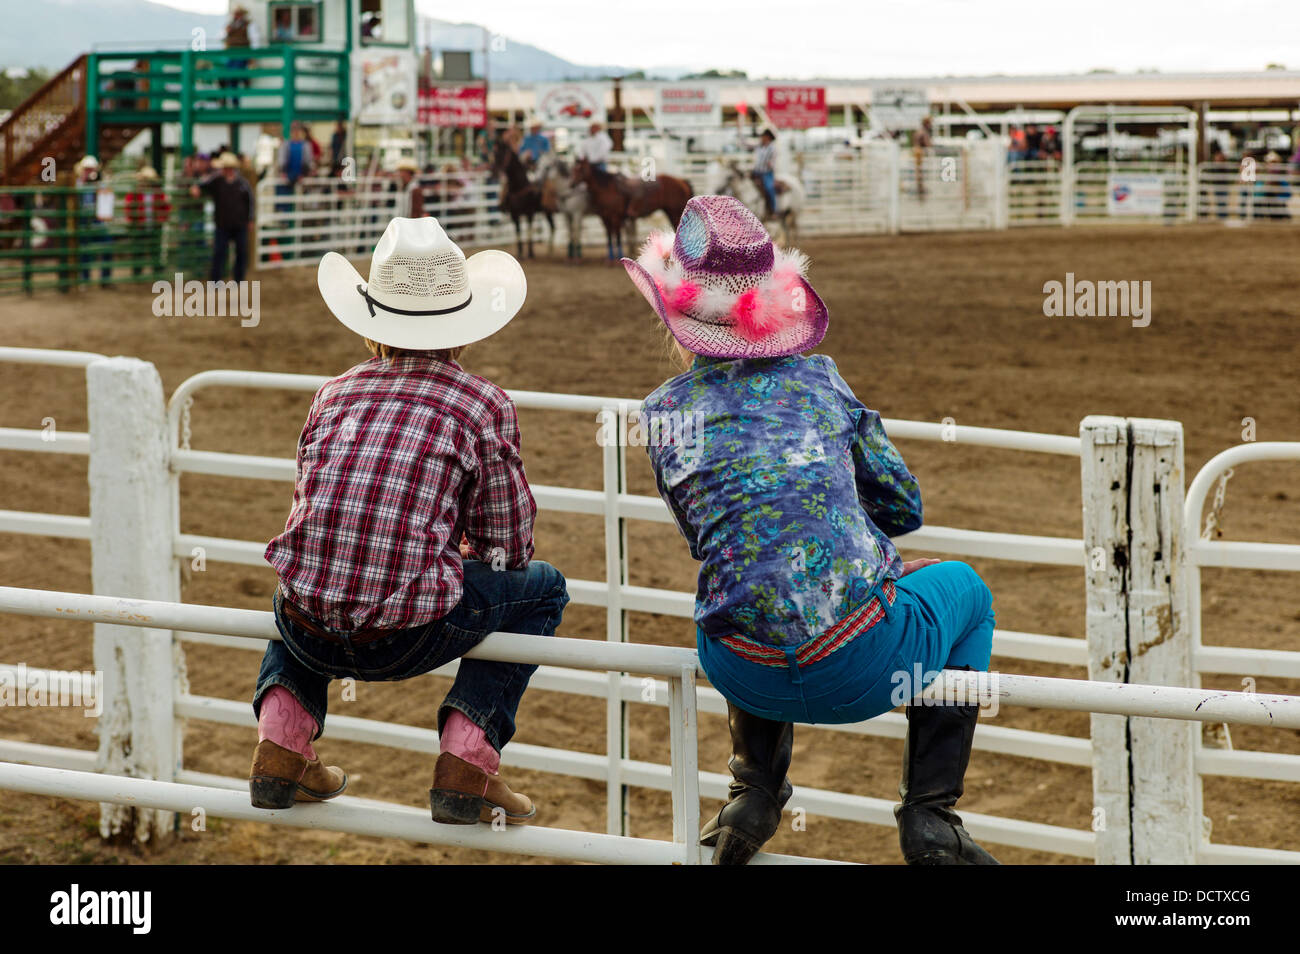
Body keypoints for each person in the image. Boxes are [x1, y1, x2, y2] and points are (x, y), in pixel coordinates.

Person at [622, 196, 1000, 866]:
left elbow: (709, 533)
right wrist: (845, 537)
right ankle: (931, 814)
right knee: (968, 591)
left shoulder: (661, 413)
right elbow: (903, 507)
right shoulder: (820, 380)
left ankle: (754, 791)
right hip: (862, 665)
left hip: (739, 669)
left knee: (755, 583)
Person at [250, 216, 568, 826]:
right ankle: (467, 760)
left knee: (303, 573)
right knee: (543, 589)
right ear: (461, 329)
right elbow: (509, 546)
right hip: (408, 636)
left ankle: (281, 746)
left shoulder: (333, 392)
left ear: (374, 326)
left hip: (309, 630)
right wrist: (457, 548)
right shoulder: (482, 404)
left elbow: (312, 508)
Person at [190, 151, 254, 282]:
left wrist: (250, 219)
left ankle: (238, 279)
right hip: (222, 224)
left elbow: (250, 201)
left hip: (239, 224)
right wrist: (197, 188)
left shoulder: (243, 183)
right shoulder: (216, 180)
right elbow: (202, 184)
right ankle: (215, 280)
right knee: (219, 253)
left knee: (241, 252)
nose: (226, 170)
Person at [124, 166, 171, 277]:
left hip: (153, 224)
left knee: (155, 249)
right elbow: (128, 206)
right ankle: (137, 272)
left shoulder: (157, 193)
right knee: (138, 249)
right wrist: (132, 219)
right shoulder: (135, 193)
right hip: (140, 225)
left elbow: (166, 207)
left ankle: (156, 270)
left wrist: (161, 219)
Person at [75, 156, 112, 286]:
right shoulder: (78, 184)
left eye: (91, 169)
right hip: (83, 220)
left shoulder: (100, 184)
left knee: (108, 246)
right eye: (87, 169)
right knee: (84, 250)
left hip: (97, 220)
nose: (89, 172)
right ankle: (85, 278)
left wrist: (99, 184)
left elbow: (106, 198)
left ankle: (105, 279)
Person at [222, 5, 259, 108]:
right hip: (231, 55)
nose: (237, 16)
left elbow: (254, 41)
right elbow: (222, 38)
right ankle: (234, 100)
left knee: (233, 74)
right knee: (230, 75)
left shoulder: (249, 25)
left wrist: (253, 56)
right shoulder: (230, 26)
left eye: (239, 14)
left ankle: (232, 101)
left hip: (242, 54)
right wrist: (226, 32)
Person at [752, 128, 777, 216]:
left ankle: (773, 210)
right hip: (756, 172)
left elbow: (772, 162)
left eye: (763, 136)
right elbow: (746, 144)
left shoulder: (772, 148)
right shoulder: (759, 146)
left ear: (767, 137)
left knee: (769, 188)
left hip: (767, 173)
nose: (761, 138)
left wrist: (770, 164)